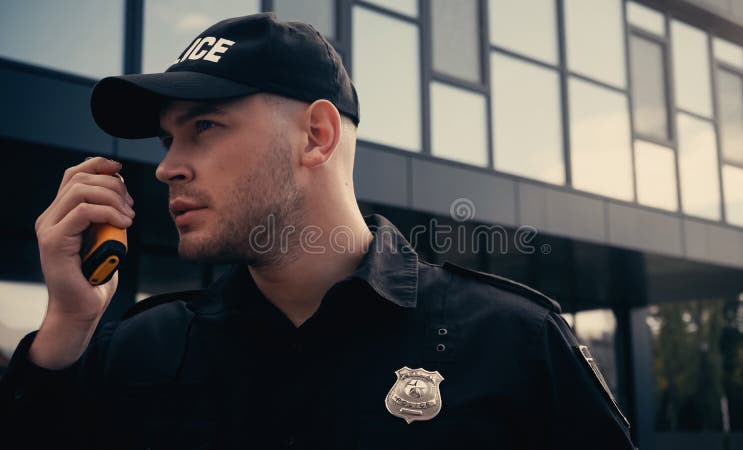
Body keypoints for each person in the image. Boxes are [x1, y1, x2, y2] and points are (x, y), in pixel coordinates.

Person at [0, 12, 636, 450]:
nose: (167, 166)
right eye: (168, 139)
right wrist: (64, 332)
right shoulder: (136, 352)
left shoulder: (514, 343)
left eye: (205, 127)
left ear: (317, 135)